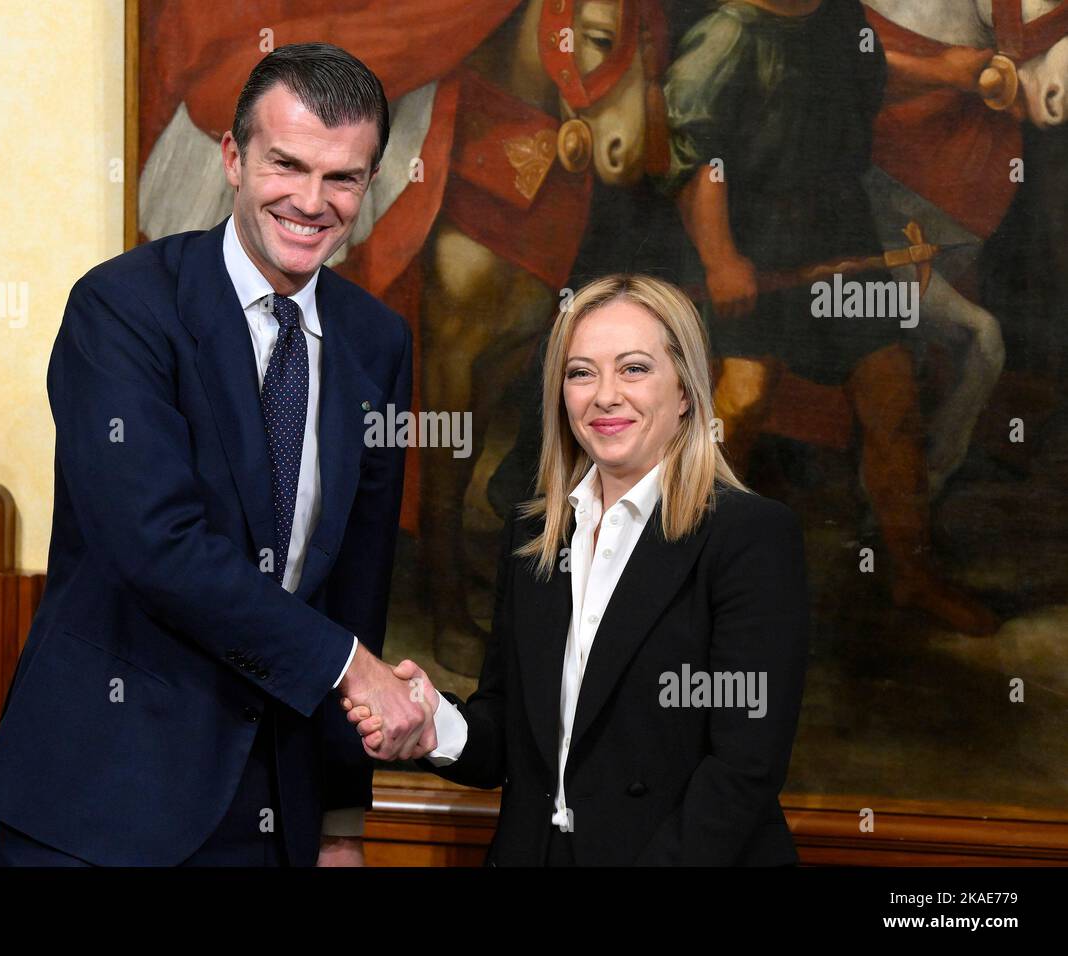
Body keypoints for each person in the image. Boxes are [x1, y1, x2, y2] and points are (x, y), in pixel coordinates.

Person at [0, 42, 433, 867]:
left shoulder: (378, 340)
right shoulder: (121, 309)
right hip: (104, 797)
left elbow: (358, 584)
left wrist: (339, 820)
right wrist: (348, 668)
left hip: (273, 811)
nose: (310, 201)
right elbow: (158, 545)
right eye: (286, 164)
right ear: (232, 157)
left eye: (343, 178)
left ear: (371, 183)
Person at [346, 274, 811, 865]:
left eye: (634, 369)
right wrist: (432, 720)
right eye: (581, 372)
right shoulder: (536, 535)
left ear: (688, 390)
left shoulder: (749, 536)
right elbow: (510, 736)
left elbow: (745, 768)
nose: (605, 395)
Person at [662, 0, 997, 635]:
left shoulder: (841, 18)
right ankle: (689, 591)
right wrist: (721, 256)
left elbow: (864, 67)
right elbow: (699, 158)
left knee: (893, 401)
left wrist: (945, 72)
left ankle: (913, 575)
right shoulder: (728, 34)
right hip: (752, 238)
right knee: (741, 402)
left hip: (841, 231)